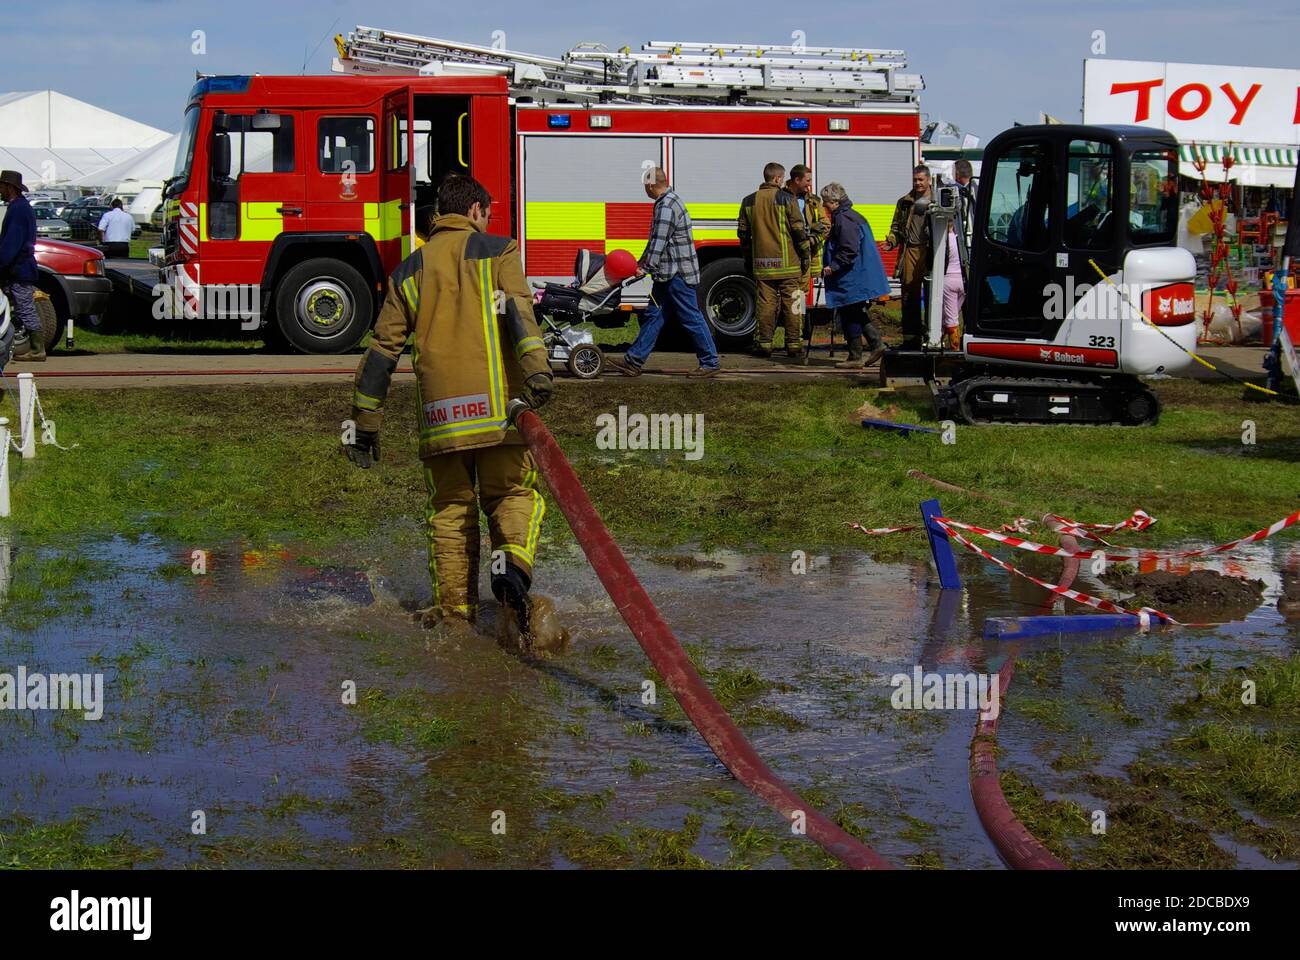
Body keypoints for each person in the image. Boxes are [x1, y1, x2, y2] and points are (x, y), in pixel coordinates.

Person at [343, 174, 559, 651]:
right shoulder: (498, 250)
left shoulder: (408, 271)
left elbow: (382, 350)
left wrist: (365, 422)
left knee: (450, 510)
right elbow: (519, 311)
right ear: (478, 210)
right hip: (500, 413)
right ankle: (511, 568)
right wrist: (537, 370)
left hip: (442, 419)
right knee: (512, 496)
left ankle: (456, 618)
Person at [606, 167, 719, 378]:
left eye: (644, 186)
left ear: (650, 185)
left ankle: (710, 362)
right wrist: (641, 261)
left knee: (691, 317)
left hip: (677, 275)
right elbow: (654, 242)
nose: (645, 191)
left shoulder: (666, 206)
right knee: (654, 315)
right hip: (667, 274)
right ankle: (633, 361)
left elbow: (659, 242)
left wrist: (645, 267)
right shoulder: (668, 202)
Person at [738, 162, 810, 360]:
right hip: (789, 265)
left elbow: (743, 235)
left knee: (766, 305)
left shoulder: (748, 201)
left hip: (762, 266)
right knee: (794, 304)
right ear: (778, 178)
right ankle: (794, 345)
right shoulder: (787, 198)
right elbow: (798, 231)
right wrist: (805, 257)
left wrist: (748, 260)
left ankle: (764, 344)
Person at [819, 182, 890, 369]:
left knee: (850, 312)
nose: (824, 206)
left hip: (852, 276)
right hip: (858, 274)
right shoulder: (851, 216)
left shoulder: (844, 219)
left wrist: (832, 266)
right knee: (856, 312)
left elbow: (849, 249)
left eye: (825, 202)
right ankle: (875, 345)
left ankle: (856, 356)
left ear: (834, 201)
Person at [884, 164, 933, 350]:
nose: (918, 183)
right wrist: (891, 241)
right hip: (910, 251)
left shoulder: (938, 200)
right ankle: (911, 340)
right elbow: (896, 227)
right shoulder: (904, 202)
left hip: (930, 252)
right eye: (915, 179)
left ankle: (933, 337)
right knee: (909, 296)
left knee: (933, 296)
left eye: (921, 179)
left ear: (928, 180)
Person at [0, 170, 43, 362]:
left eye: (1, 186)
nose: (0, 190)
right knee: (20, 306)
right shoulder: (19, 207)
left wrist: (1, 263)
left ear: (9, 187)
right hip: (19, 267)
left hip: (20, 268)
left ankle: (37, 349)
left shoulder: (18, 209)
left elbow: (12, 243)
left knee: (25, 307)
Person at [941, 222, 965, 351]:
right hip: (962, 279)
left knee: (950, 318)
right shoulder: (961, 239)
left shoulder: (943, 240)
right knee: (952, 313)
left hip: (948, 280)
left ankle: (955, 348)